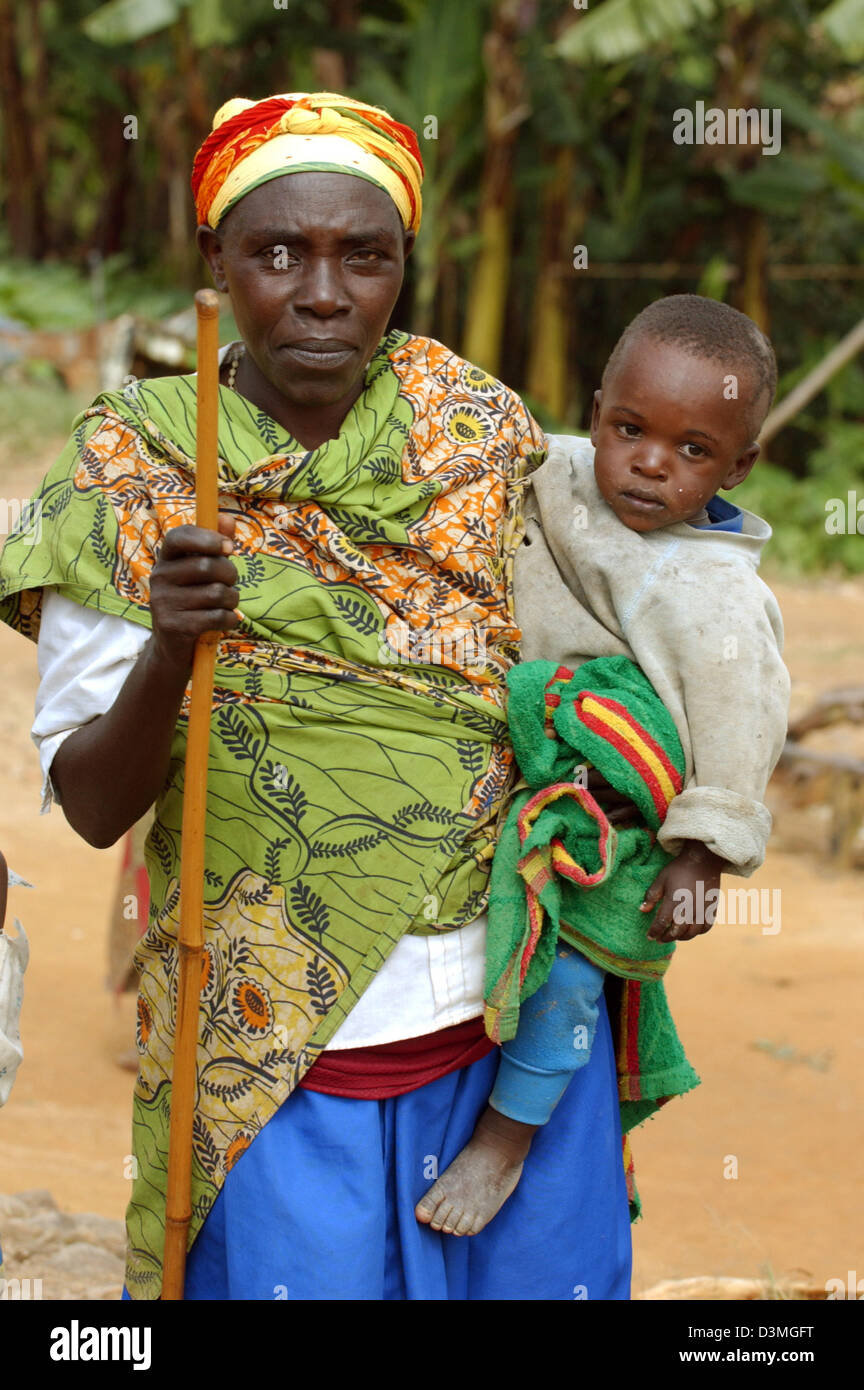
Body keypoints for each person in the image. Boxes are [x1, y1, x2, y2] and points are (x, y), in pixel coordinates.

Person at [0, 91, 633, 1300]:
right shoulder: (133, 471)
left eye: (365, 255)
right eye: (279, 252)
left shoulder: (477, 429)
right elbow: (88, 804)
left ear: (405, 264)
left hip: (505, 1029)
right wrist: (170, 653)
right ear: (218, 263)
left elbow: (583, 665)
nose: (324, 293)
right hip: (274, 1051)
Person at [415, 295, 791, 1236]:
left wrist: (704, 857)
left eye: (693, 450)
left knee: (573, 975)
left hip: (612, 827)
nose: (652, 463)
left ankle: (507, 1139)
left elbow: (744, 733)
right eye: (630, 428)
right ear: (595, 413)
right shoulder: (553, 472)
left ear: (740, 464)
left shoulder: (719, 596)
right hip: (499, 759)